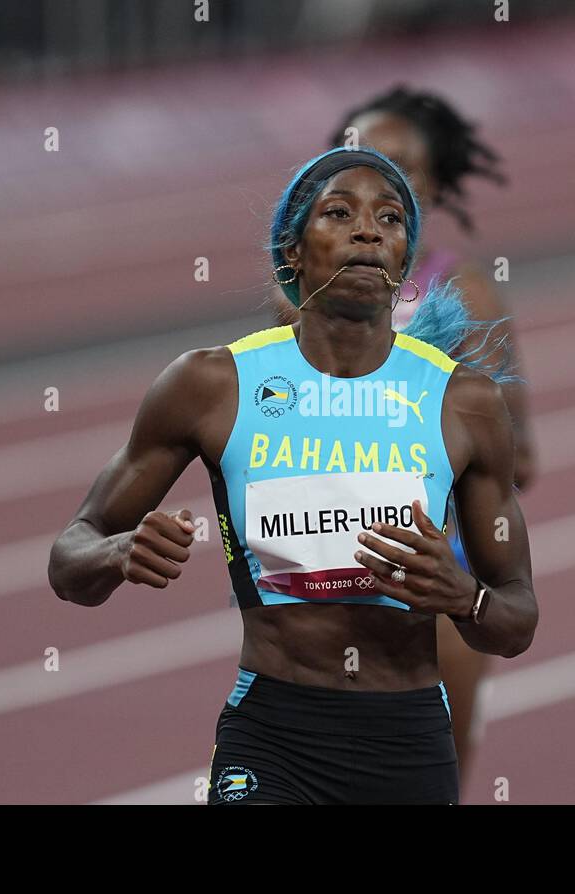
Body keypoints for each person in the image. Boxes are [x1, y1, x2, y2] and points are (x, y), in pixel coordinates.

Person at [49, 146, 538, 805]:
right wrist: (116, 550)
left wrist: (462, 597)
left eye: (391, 220)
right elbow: (68, 560)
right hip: (274, 737)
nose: (369, 231)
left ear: (403, 264)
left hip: (407, 742)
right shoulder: (210, 385)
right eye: (340, 213)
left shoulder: (463, 402)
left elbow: (515, 618)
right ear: (292, 255)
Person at [269, 86, 537, 783]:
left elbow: (520, 455)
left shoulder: (463, 293)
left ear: (432, 189)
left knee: (427, 778)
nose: (381, 177)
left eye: (403, 168)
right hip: (313, 573)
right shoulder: (291, 300)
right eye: (364, 159)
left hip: (427, 571)